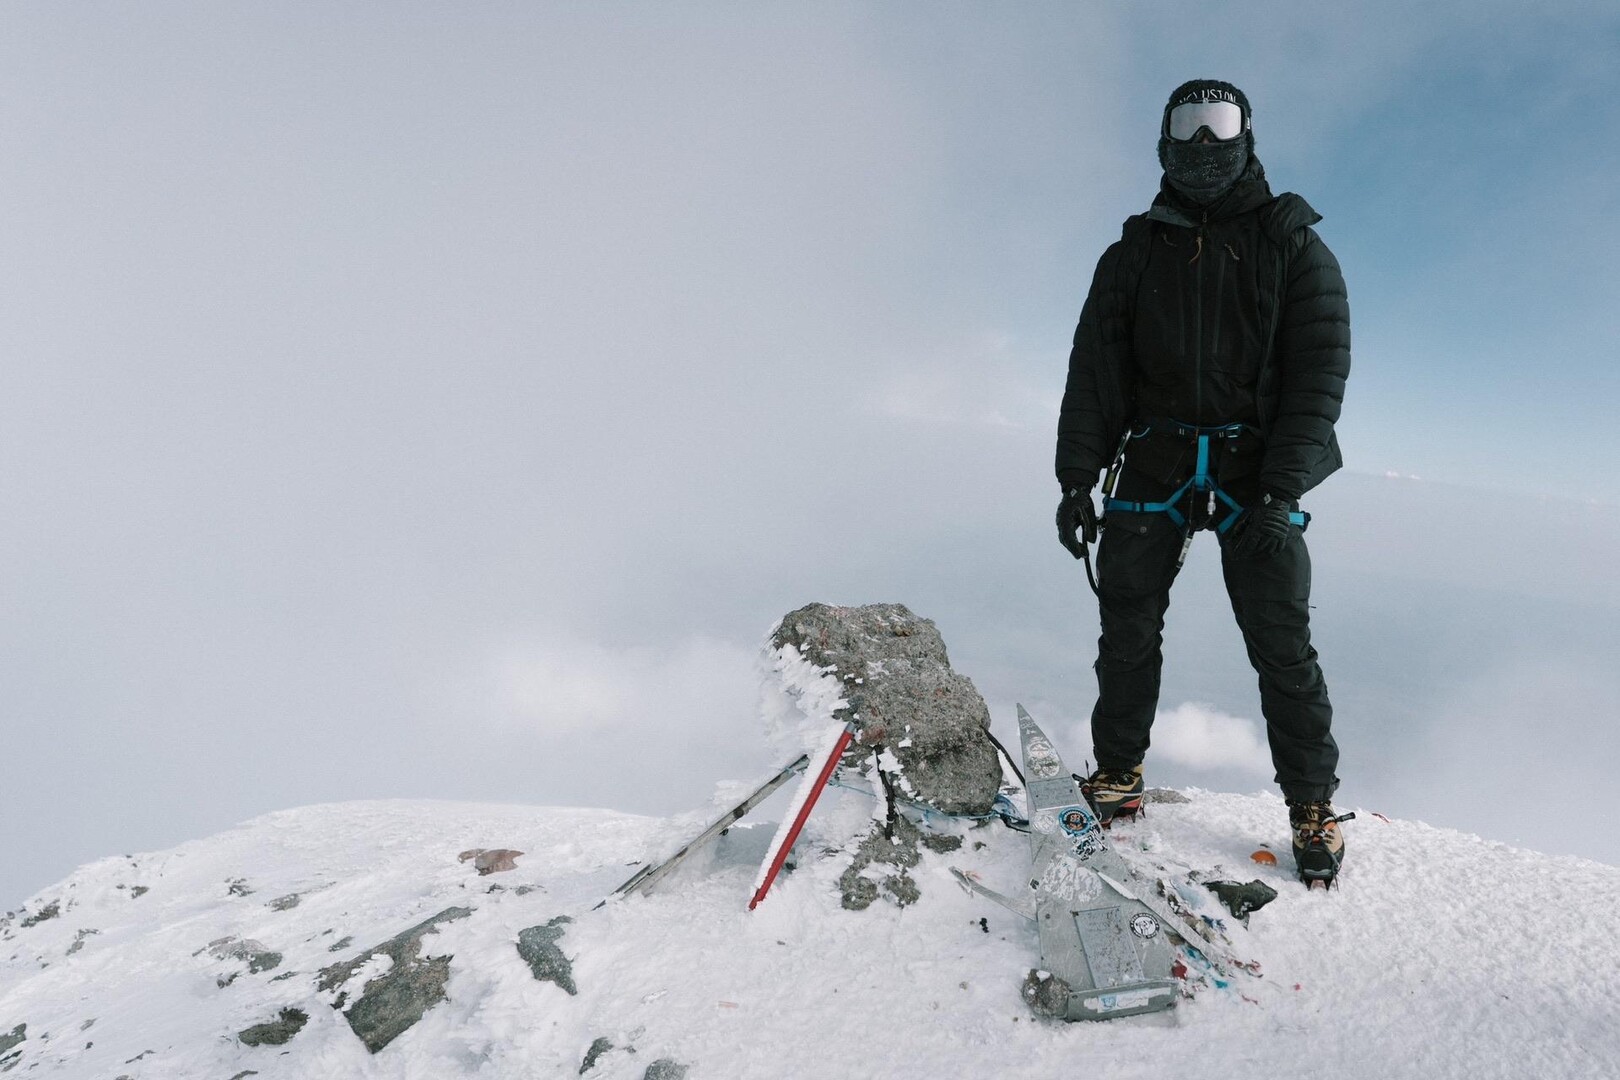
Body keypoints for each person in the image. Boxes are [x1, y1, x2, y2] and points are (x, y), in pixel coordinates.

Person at [1053, 79, 1352, 886]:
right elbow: (1097, 375)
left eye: (1220, 124)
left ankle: (1312, 806)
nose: (1204, 143)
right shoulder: (1132, 254)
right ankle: (1117, 775)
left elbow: (1317, 380)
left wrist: (1283, 492)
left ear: (1249, 135)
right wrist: (1077, 478)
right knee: (1127, 631)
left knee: (1282, 647)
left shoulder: (1293, 244)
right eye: (1189, 124)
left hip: (1256, 475)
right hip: (1154, 460)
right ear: (1163, 139)